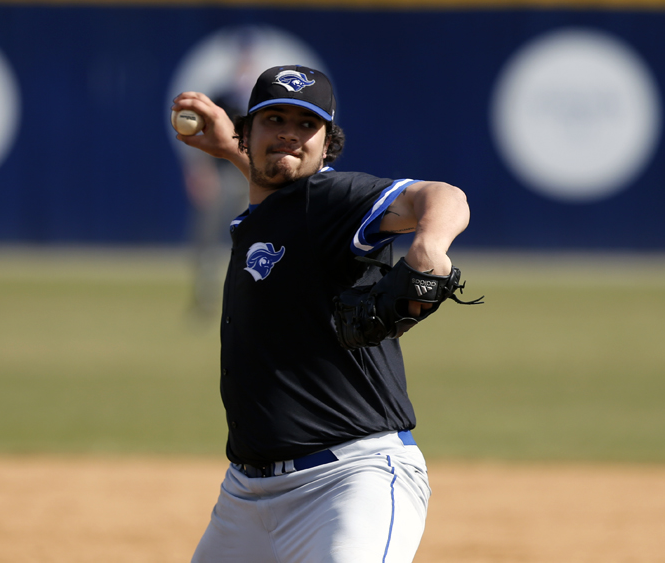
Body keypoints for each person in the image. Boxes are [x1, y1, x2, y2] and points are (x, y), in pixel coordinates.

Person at [171, 65, 471, 563]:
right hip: (246, 498)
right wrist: (228, 148)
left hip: (349, 484)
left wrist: (431, 246)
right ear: (248, 132)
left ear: (328, 143)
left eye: (306, 126)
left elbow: (443, 196)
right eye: (274, 120)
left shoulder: (333, 200)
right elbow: (279, 195)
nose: (289, 133)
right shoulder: (271, 212)